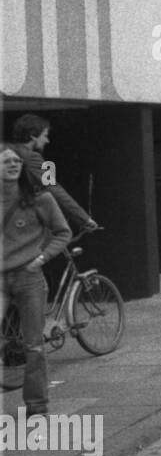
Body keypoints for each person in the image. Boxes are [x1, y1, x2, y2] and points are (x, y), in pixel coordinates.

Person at [1, 143, 71, 417]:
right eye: (6, 161)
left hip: (29, 277)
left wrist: (41, 259)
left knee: (33, 345)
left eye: (16, 161)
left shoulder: (39, 199)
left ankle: (37, 406)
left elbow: (62, 232)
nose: (13, 164)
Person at [10, 114, 96, 232]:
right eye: (45, 136)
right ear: (33, 136)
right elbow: (53, 187)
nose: (47, 140)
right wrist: (84, 218)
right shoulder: (32, 157)